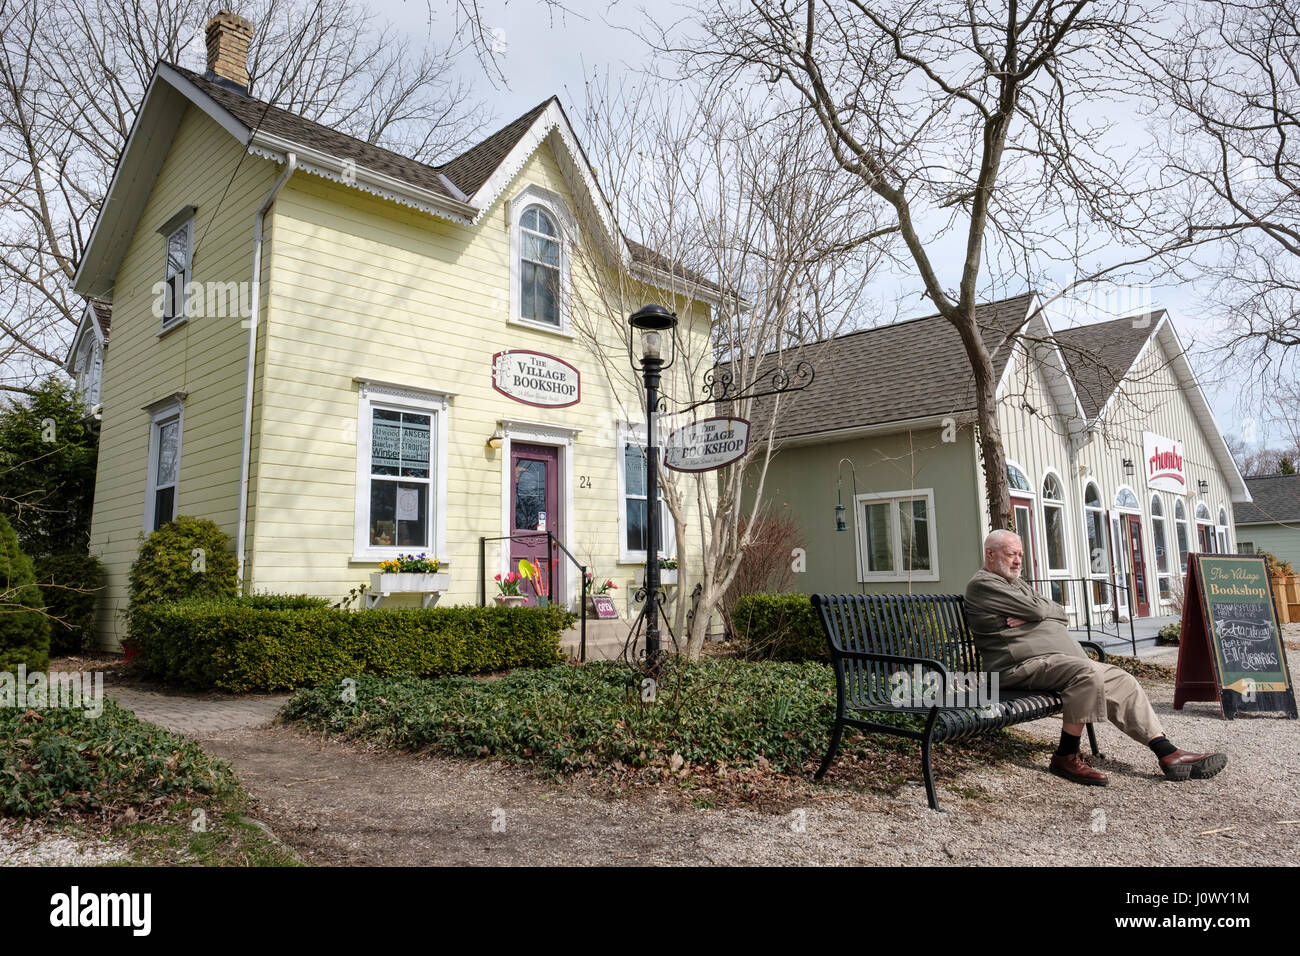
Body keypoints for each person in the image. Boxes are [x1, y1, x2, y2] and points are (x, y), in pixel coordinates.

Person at [965, 529, 1227, 787]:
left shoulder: (1016, 584)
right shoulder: (984, 584)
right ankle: (1065, 756)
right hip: (1016, 667)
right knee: (1086, 674)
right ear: (990, 554)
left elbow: (1061, 612)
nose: (1018, 560)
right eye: (1012, 554)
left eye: (1020, 554)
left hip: (1053, 662)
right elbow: (1039, 608)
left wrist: (1038, 614)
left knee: (1121, 678)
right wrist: (1039, 613)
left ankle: (1167, 752)